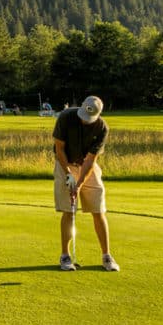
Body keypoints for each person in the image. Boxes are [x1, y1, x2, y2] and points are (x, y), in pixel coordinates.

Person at [53, 94, 120, 272]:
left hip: (87, 166)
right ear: (81, 106)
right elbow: (59, 148)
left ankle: (106, 256)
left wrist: (80, 183)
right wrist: (68, 174)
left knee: (99, 210)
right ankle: (65, 256)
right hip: (64, 163)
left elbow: (90, 160)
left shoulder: (102, 127)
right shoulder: (66, 117)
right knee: (69, 210)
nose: (84, 121)